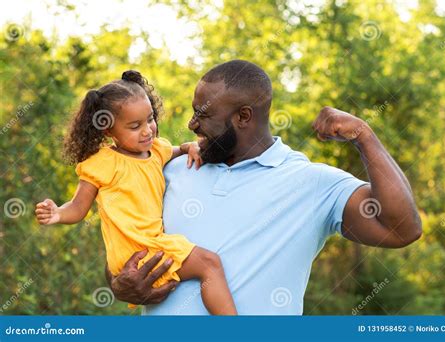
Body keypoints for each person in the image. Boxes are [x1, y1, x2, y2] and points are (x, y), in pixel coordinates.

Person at [107, 60, 422, 315]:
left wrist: (364, 136)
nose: (192, 124)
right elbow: (121, 250)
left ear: (243, 117)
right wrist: (120, 284)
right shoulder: (168, 169)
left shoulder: (312, 183)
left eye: (204, 114)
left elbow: (401, 228)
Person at [34, 70, 237, 315]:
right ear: (108, 130)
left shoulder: (156, 150)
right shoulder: (102, 163)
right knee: (210, 264)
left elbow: (178, 149)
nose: (147, 130)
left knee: (207, 266)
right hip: (136, 252)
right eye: (134, 126)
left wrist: (190, 146)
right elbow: (78, 208)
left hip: (152, 243)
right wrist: (57, 213)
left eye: (150, 119)